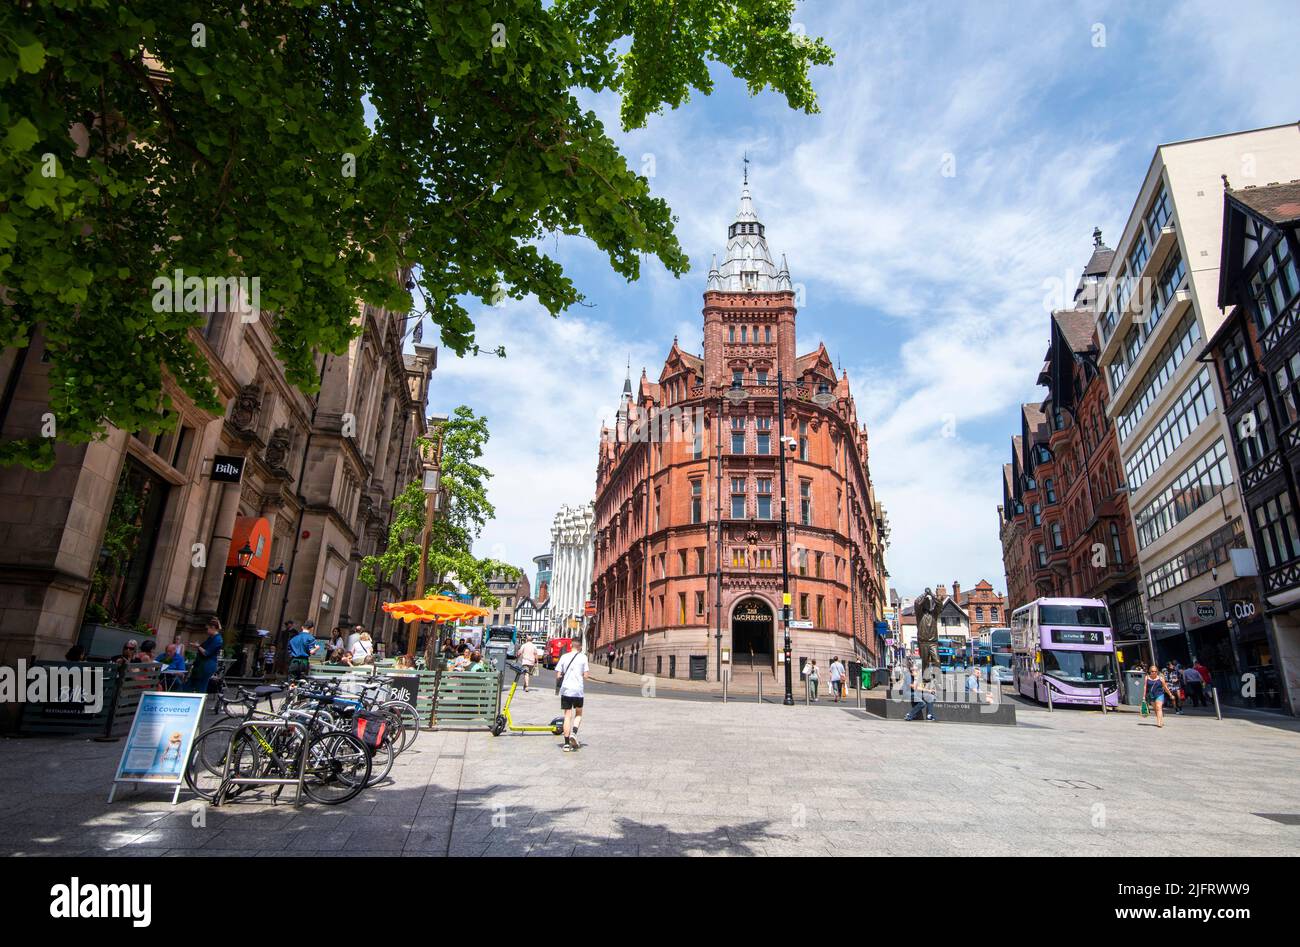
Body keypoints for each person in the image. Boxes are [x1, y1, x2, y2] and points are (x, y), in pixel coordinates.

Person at [555, 640, 589, 752]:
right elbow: (586, 676)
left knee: (567, 716)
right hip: (578, 690)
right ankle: (574, 733)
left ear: (571, 646)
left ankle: (565, 744)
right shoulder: (583, 657)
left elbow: (558, 674)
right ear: (580, 647)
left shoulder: (564, 657)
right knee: (578, 713)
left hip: (566, 690)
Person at [189, 618, 223, 697]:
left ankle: (199, 703)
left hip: (207, 665)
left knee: (201, 686)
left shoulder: (217, 639)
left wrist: (198, 646)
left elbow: (206, 653)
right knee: (197, 685)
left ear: (213, 628)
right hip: (203, 664)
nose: (206, 630)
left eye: (207, 628)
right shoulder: (212, 638)